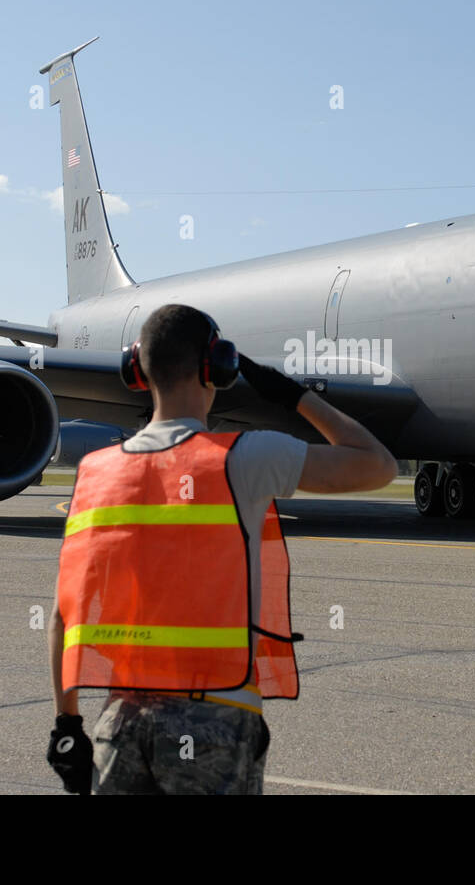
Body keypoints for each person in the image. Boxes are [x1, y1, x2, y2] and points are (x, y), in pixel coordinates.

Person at [46, 303, 397, 794]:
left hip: (120, 722)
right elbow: (377, 464)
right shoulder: (246, 457)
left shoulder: (96, 473)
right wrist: (295, 396)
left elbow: (66, 613)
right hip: (215, 721)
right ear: (217, 367)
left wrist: (67, 725)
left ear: (138, 371)